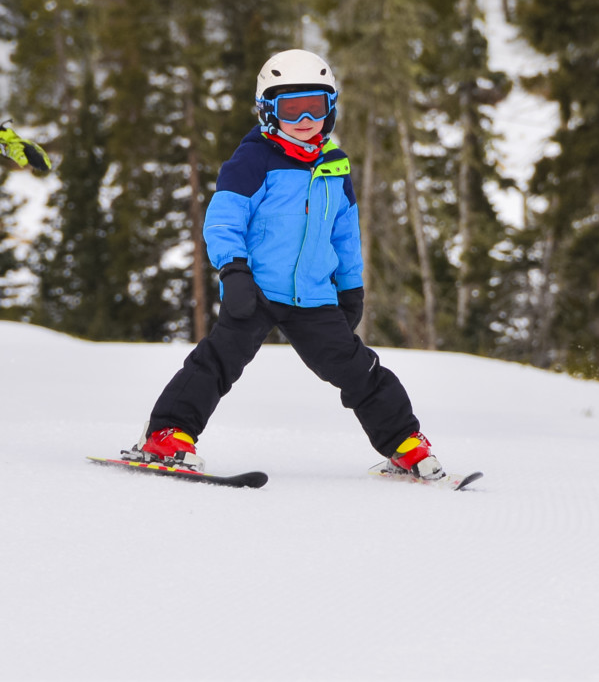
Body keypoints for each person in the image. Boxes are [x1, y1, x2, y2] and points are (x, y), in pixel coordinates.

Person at [129, 49, 444, 480]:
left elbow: (345, 236)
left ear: (331, 108)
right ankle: (167, 434)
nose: (305, 119)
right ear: (267, 110)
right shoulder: (254, 159)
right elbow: (223, 220)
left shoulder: (335, 166)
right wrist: (233, 270)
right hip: (256, 289)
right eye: (291, 108)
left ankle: (405, 444)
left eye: (315, 106)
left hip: (313, 295)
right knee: (218, 361)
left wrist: (350, 287)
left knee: (359, 369)